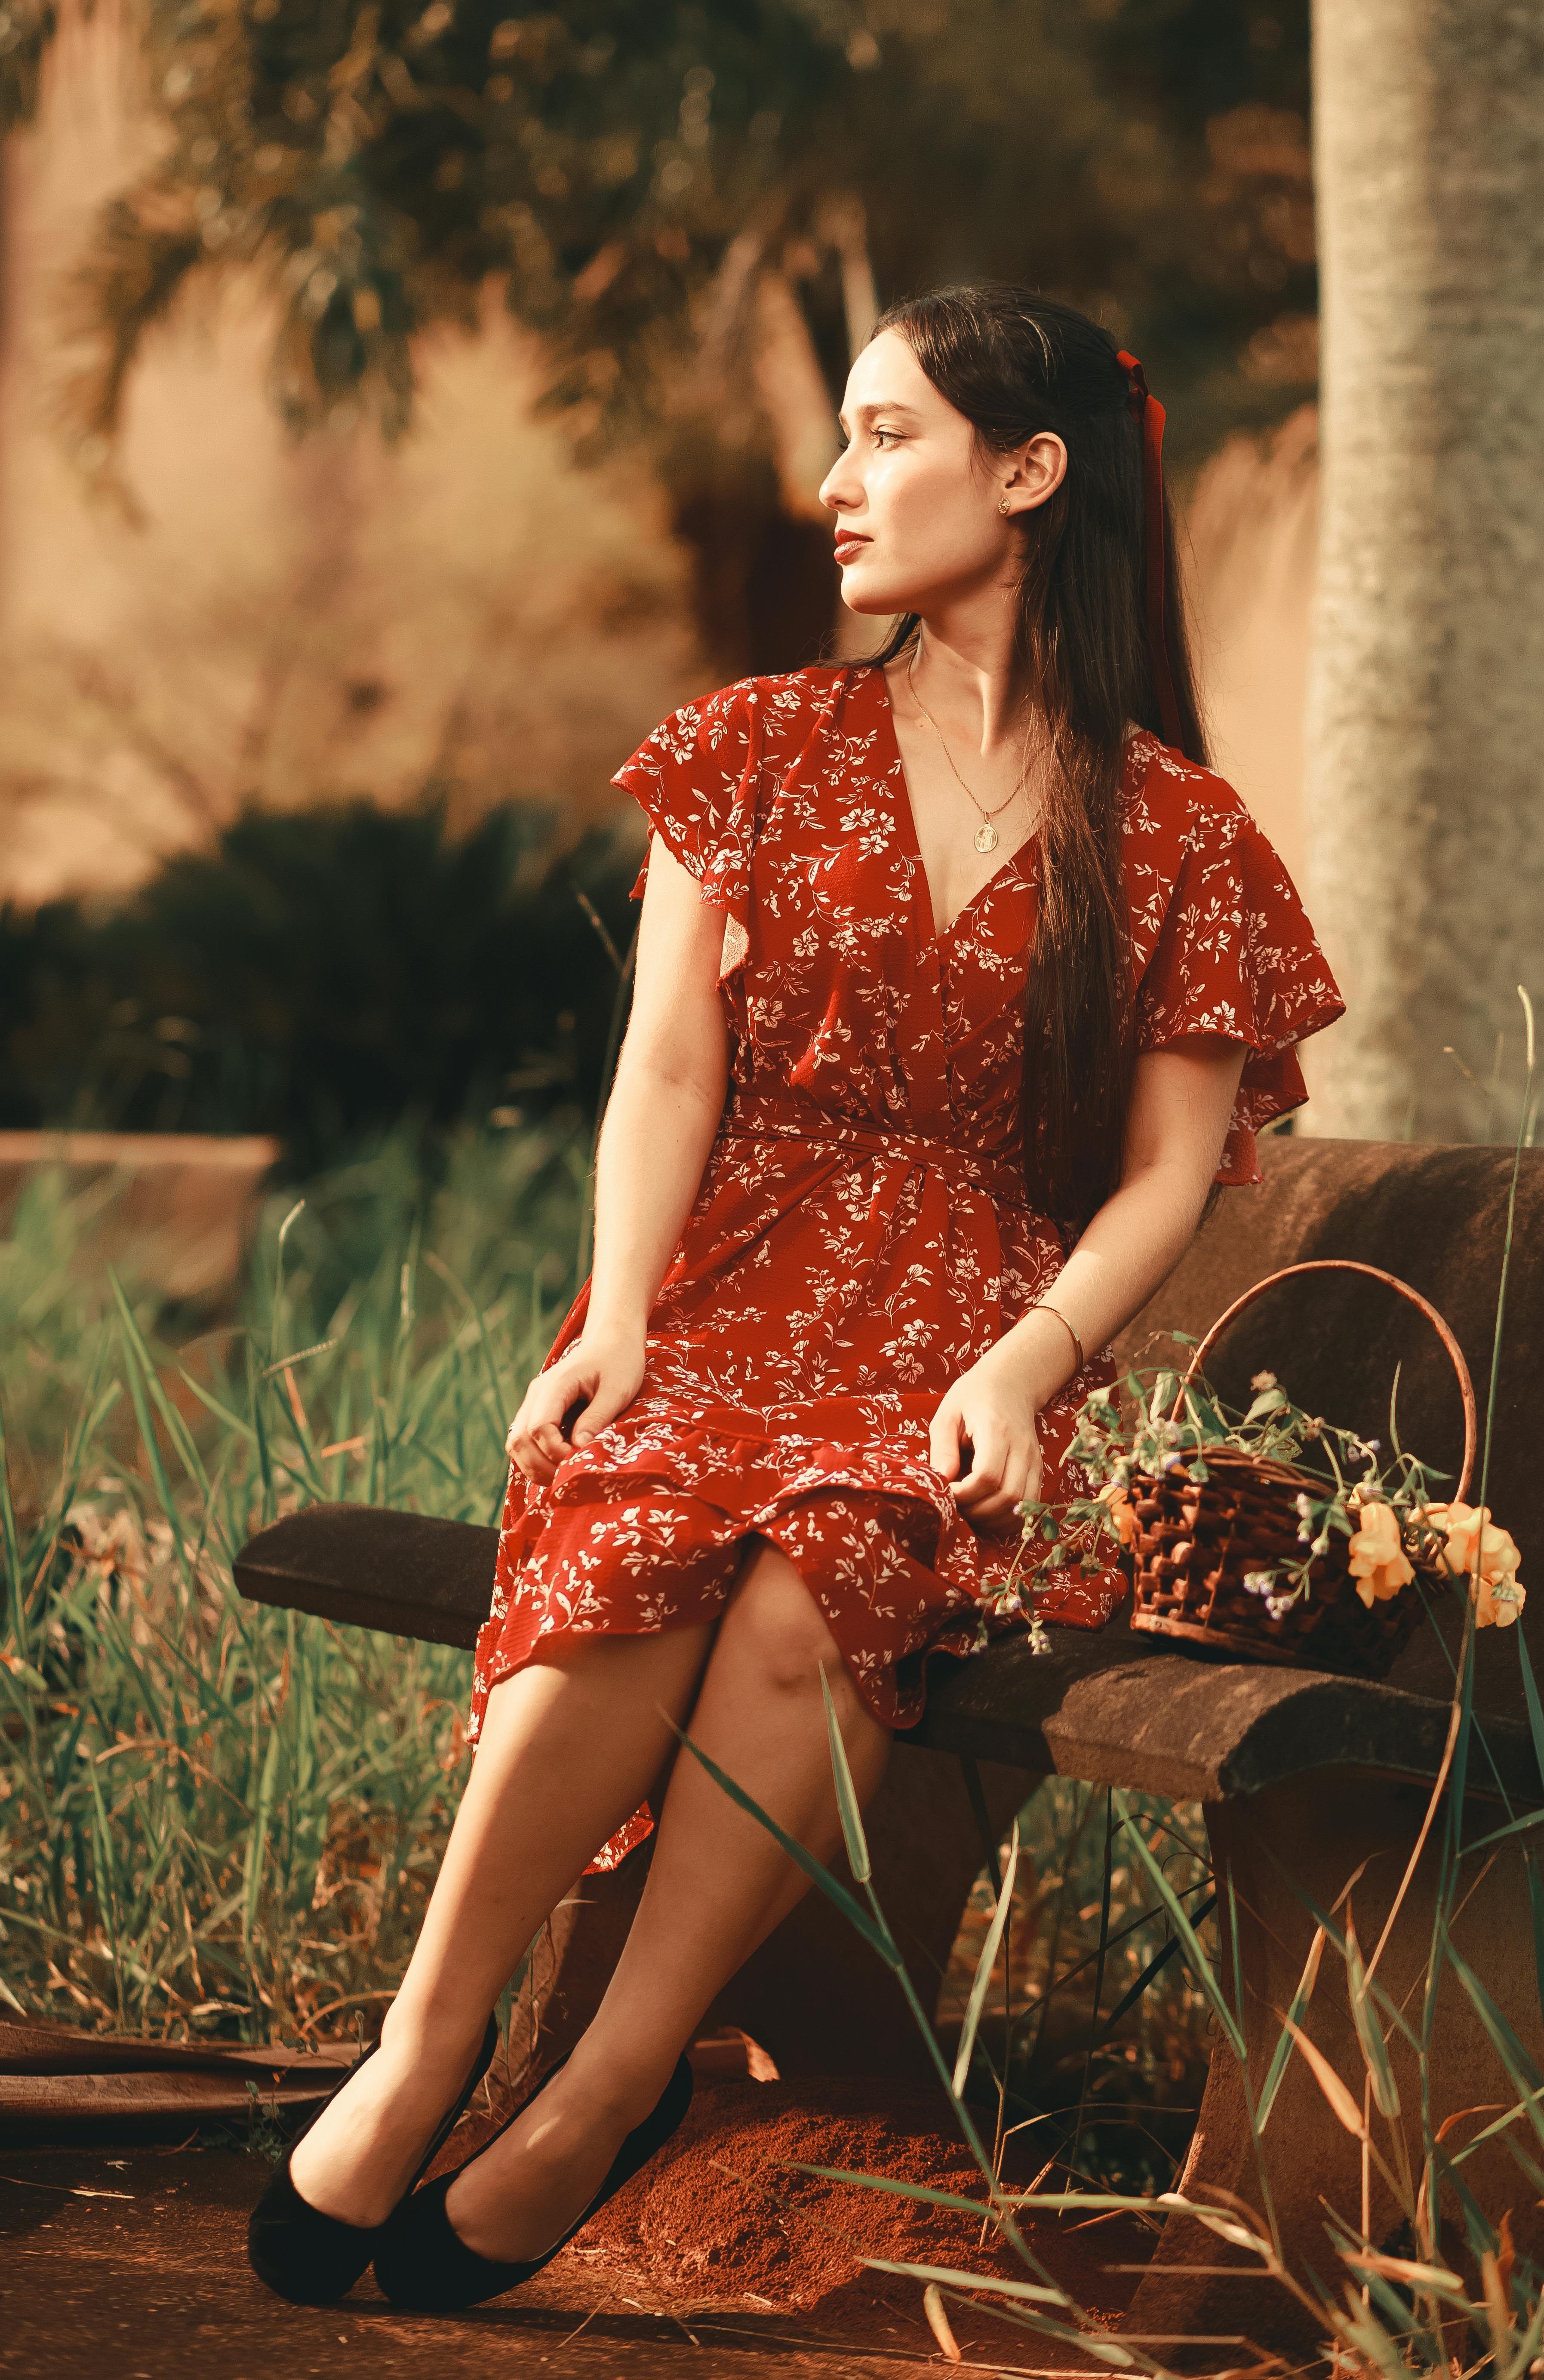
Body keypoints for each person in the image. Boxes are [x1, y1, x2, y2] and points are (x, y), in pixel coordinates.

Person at [247, 282, 1343, 2312]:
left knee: (821, 1566)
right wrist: (621, 1317)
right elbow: (667, 1064)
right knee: (644, 1517)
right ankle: (424, 2046)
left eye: (886, 436)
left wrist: (1029, 1365)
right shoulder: (753, 746)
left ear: (1030, 476)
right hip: (733, 1286)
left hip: (957, 1344)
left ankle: (611, 2086)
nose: (833, 486)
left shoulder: (1179, 832)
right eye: (844, 438)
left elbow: (1168, 1174)